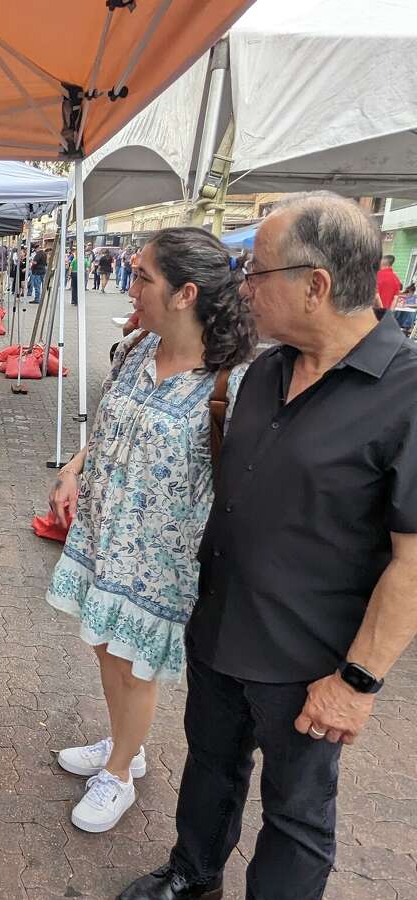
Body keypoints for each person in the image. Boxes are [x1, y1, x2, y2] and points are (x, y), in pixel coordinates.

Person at [120, 193, 417, 900]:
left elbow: (413, 562)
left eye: (256, 272)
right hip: (222, 627)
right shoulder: (266, 369)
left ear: (316, 285)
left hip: (308, 663)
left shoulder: (405, 395)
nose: (244, 287)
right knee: (210, 767)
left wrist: (358, 683)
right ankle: (193, 875)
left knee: (296, 813)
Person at [46, 227, 256, 835]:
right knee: (103, 645)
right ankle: (124, 744)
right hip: (104, 533)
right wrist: (74, 468)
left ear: (186, 294)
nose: (130, 287)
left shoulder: (232, 381)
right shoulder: (138, 348)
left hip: (160, 558)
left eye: (143, 277)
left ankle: (119, 774)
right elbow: (109, 426)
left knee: (133, 661)